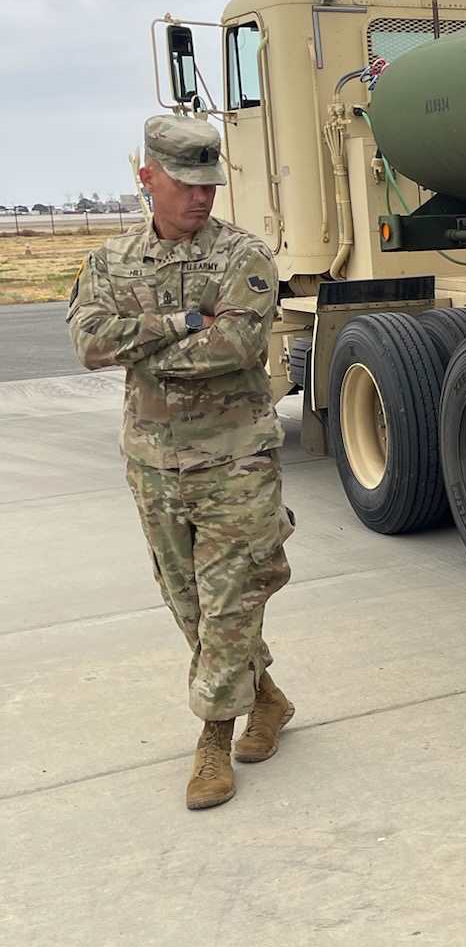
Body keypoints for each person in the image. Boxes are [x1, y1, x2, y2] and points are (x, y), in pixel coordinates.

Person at [67, 115, 295, 811]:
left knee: (230, 603)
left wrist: (140, 348)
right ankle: (268, 698)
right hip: (154, 466)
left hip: (234, 464)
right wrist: (173, 325)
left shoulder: (243, 257)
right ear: (148, 180)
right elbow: (87, 342)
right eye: (186, 184)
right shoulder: (110, 262)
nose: (202, 198)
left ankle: (213, 739)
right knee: (190, 606)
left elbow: (234, 349)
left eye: (210, 185)